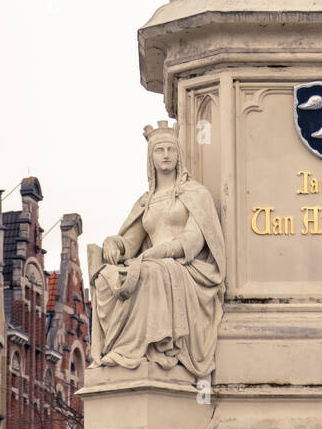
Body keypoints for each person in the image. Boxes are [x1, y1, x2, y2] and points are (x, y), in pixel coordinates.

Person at [89, 122, 225, 378]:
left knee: (152, 273)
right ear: (150, 157)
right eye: (159, 150)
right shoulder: (145, 201)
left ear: (178, 155)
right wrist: (113, 243)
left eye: (170, 149)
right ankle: (120, 352)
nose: (165, 155)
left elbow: (193, 242)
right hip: (152, 262)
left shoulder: (196, 194)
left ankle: (156, 348)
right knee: (106, 279)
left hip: (186, 267)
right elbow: (130, 243)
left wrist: (157, 253)